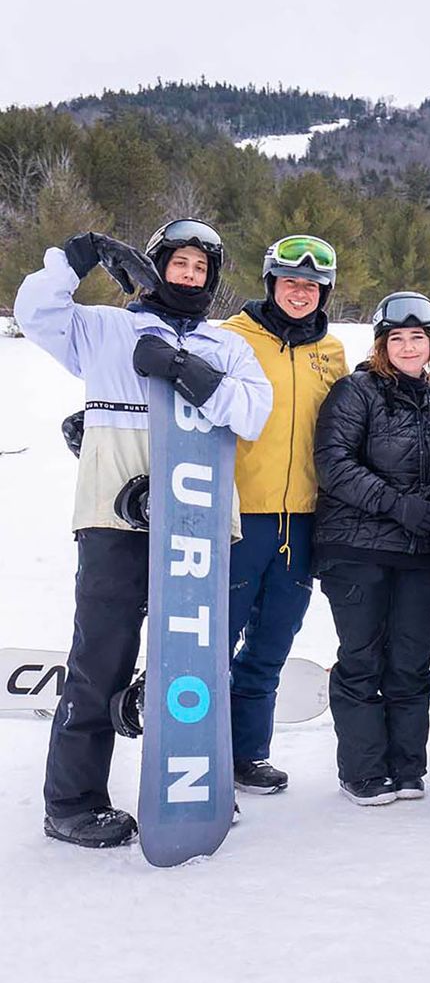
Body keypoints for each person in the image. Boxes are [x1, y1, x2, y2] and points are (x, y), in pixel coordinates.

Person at [15, 219, 272, 847]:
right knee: (101, 656)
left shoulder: (226, 346)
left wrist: (186, 368)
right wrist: (76, 257)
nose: (188, 275)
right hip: (113, 517)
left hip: (202, 519)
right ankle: (72, 802)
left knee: (196, 660)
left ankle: (196, 782)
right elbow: (38, 312)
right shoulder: (108, 329)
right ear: (155, 267)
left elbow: (253, 411)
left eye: (200, 268)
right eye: (177, 263)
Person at [313, 293, 430, 806]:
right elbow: (334, 464)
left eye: (418, 338)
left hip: (418, 554)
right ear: (382, 344)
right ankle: (362, 769)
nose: (408, 347)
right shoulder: (356, 392)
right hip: (356, 547)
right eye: (397, 338)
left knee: (408, 659)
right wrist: (398, 504)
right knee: (363, 657)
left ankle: (405, 765)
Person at [220, 235, 348, 794]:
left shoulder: (334, 353)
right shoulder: (229, 338)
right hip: (237, 517)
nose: (301, 293)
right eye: (291, 282)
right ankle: (197, 750)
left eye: (312, 286)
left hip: (302, 522)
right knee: (212, 642)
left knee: (271, 644)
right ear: (271, 283)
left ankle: (248, 754)